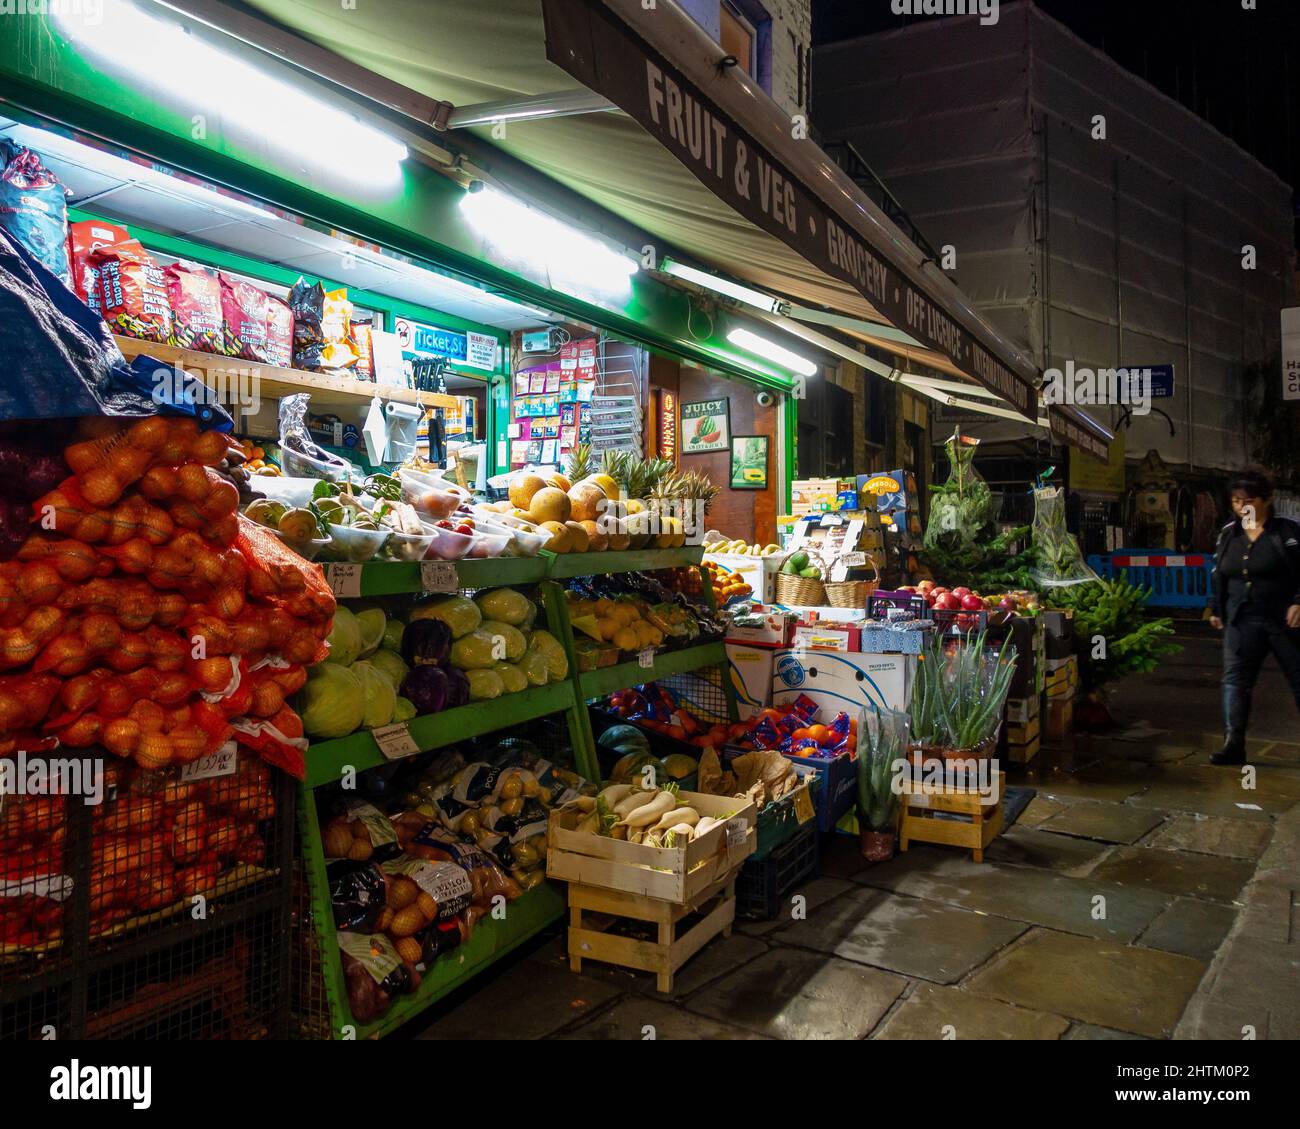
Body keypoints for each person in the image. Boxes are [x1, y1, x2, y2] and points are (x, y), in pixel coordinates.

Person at [1209, 469, 1300, 764]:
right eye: (1235, 501)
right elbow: (1219, 573)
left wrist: (1298, 602)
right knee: (1235, 680)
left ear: (1267, 500)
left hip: (1283, 620)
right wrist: (1217, 608)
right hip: (1241, 619)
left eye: (1248, 500)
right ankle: (1233, 743)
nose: (1241, 507)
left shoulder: (1286, 534)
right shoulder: (1228, 534)